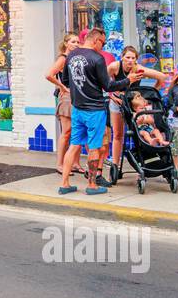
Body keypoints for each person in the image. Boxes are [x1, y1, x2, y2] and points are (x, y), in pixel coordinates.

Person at [58, 28, 143, 195]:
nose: (102, 47)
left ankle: (65, 184)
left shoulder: (71, 56)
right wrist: (128, 80)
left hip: (77, 109)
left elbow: (66, 81)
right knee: (95, 147)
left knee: (74, 145)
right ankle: (92, 185)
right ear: (95, 40)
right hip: (94, 110)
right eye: (102, 43)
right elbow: (109, 86)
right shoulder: (97, 58)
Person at [106, 46, 168, 178]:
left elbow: (162, 77)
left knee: (139, 130)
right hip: (117, 102)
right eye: (127, 57)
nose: (130, 60)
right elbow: (103, 83)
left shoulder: (139, 69)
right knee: (117, 134)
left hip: (134, 105)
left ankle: (146, 161)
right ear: (122, 57)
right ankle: (115, 166)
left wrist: (149, 94)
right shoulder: (114, 67)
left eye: (133, 58)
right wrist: (112, 96)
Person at [45, 33, 81, 172]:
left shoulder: (75, 58)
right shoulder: (63, 58)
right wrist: (62, 86)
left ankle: (75, 164)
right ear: (66, 44)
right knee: (66, 132)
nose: (76, 44)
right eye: (73, 41)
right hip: (67, 98)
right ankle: (60, 164)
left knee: (76, 132)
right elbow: (49, 74)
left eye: (78, 41)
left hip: (77, 97)